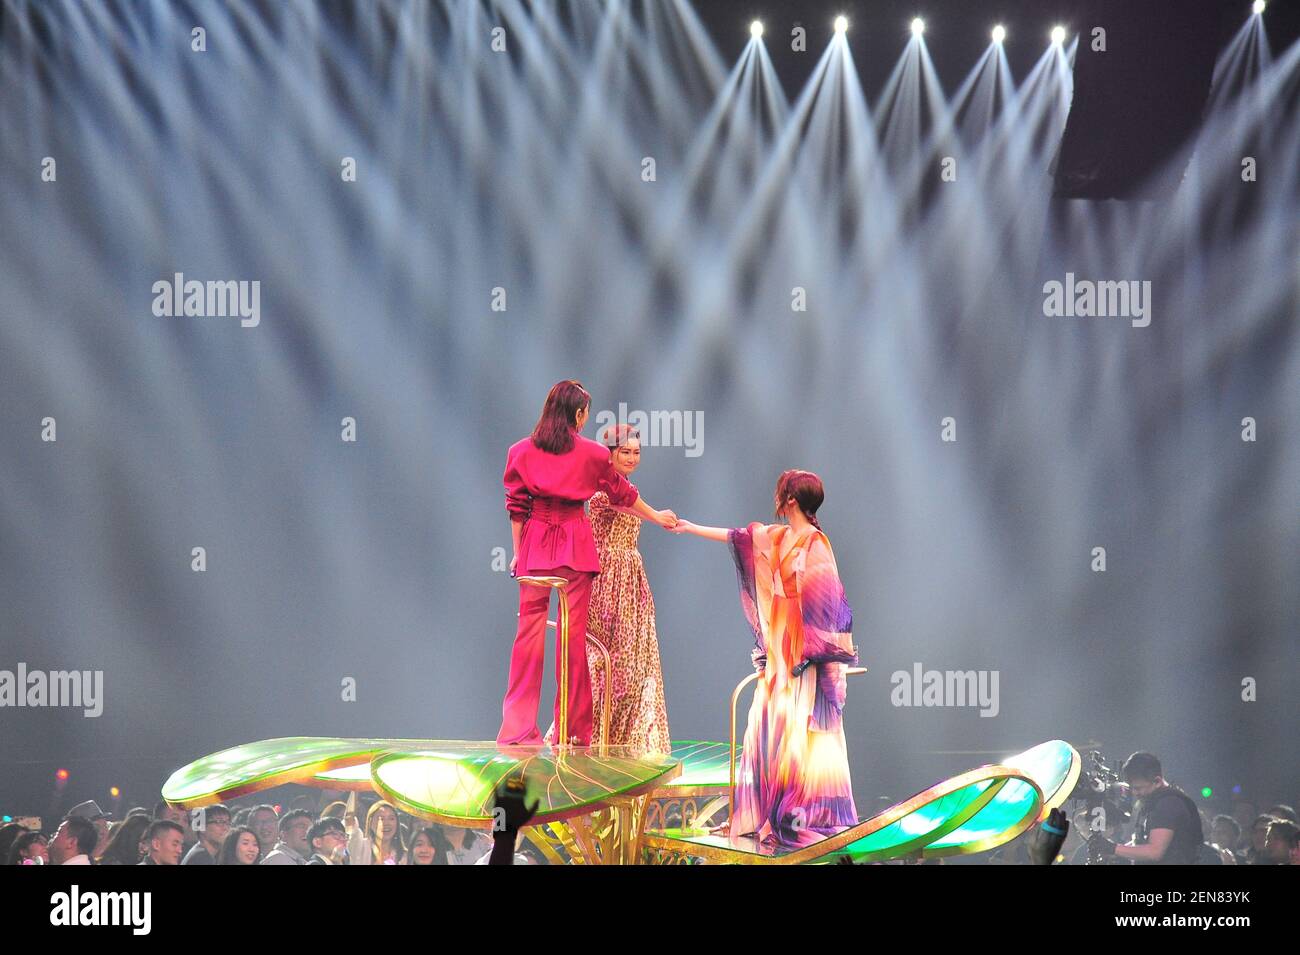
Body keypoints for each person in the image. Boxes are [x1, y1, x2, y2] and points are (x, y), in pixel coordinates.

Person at [670, 469, 859, 847]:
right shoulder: (780, 537)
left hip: (801, 650)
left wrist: (811, 654)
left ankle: (796, 812)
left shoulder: (814, 544)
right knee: (765, 725)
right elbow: (739, 536)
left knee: (796, 732)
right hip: (779, 644)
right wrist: (689, 527)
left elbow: (827, 603)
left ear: (791, 500)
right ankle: (762, 812)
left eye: (782, 493)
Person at [497, 380, 677, 747]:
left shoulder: (520, 451)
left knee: (528, 637)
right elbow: (623, 494)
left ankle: (517, 730)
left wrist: (519, 552)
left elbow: (516, 507)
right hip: (575, 547)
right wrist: (657, 517)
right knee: (571, 640)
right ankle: (574, 731)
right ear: (578, 415)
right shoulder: (593, 454)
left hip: (535, 545)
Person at [544, 424, 671, 751]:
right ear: (609, 454)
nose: (630, 458)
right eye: (624, 452)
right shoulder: (602, 491)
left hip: (630, 580)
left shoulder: (629, 486)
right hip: (605, 580)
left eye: (636, 452)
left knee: (634, 663)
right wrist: (658, 517)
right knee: (603, 661)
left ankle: (628, 739)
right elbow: (624, 505)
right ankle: (590, 736)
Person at [1090, 752, 1203, 864]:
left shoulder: (1168, 805)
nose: (1134, 793)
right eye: (1132, 788)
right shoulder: (1157, 802)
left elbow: (1154, 852)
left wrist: (1113, 848)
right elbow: (1142, 842)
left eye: (1138, 788)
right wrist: (1119, 852)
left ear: (1157, 781)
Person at [346, 800, 407, 865]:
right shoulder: (360, 846)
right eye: (381, 818)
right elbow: (351, 824)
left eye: (391, 818)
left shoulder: (403, 856)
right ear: (370, 822)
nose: (386, 823)